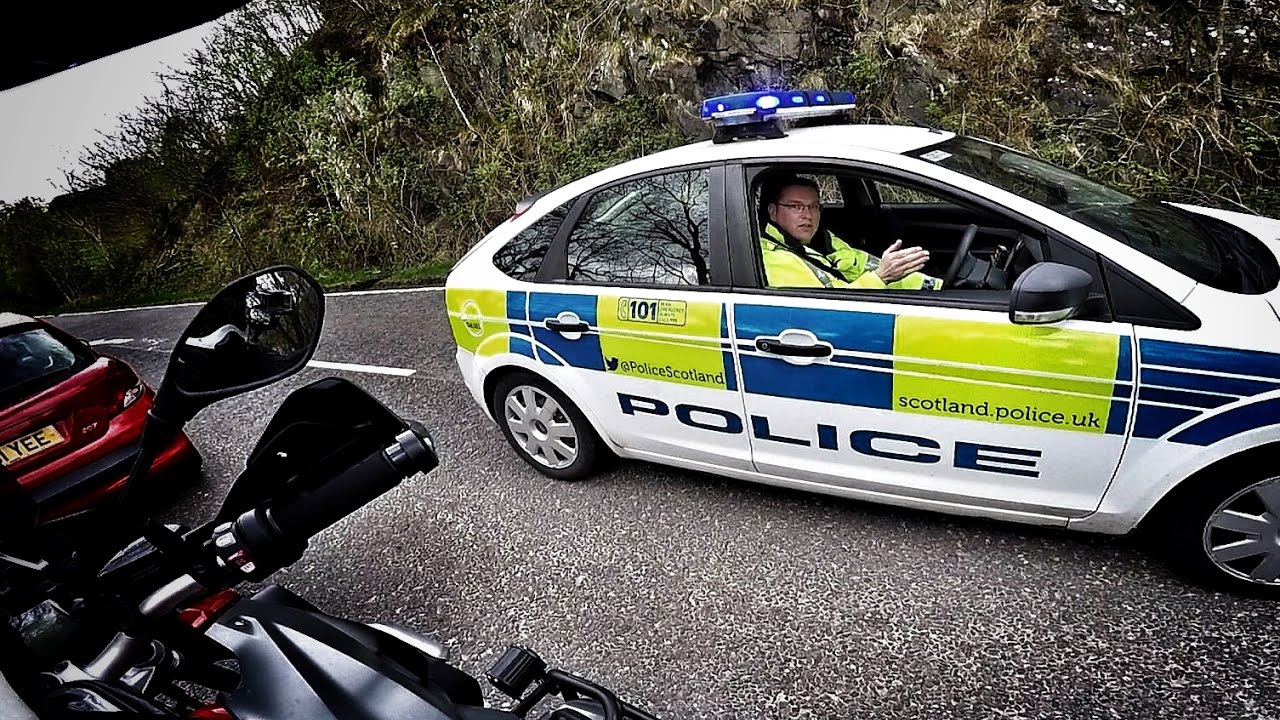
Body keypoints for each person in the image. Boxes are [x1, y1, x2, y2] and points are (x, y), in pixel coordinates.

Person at [759, 174, 943, 290]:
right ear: (773, 212)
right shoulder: (774, 258)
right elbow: (833, 308)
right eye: (795, 206)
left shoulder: (823, 240)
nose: (807, 214)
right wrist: (881, 277)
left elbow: (864, 266)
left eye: (814, 206)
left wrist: (934, 286)